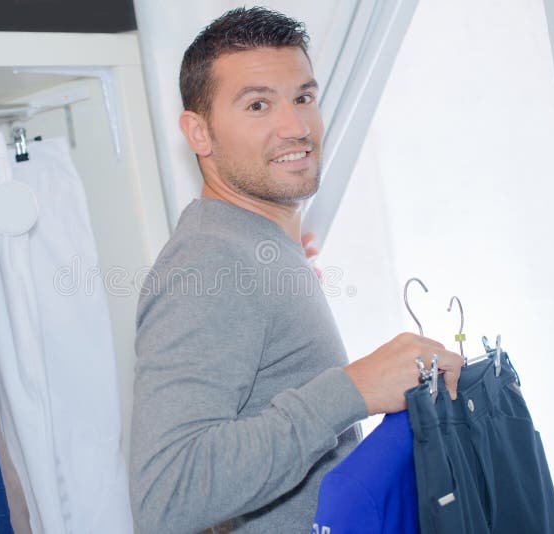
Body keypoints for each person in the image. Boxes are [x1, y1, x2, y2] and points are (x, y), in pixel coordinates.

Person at [129, 7, 463, 534]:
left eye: (304, 97)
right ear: (199, 132)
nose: (296, 126)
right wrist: (352, 389)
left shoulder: (255, 247)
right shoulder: (210, 265)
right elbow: (167, 496)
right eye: (258, 104)